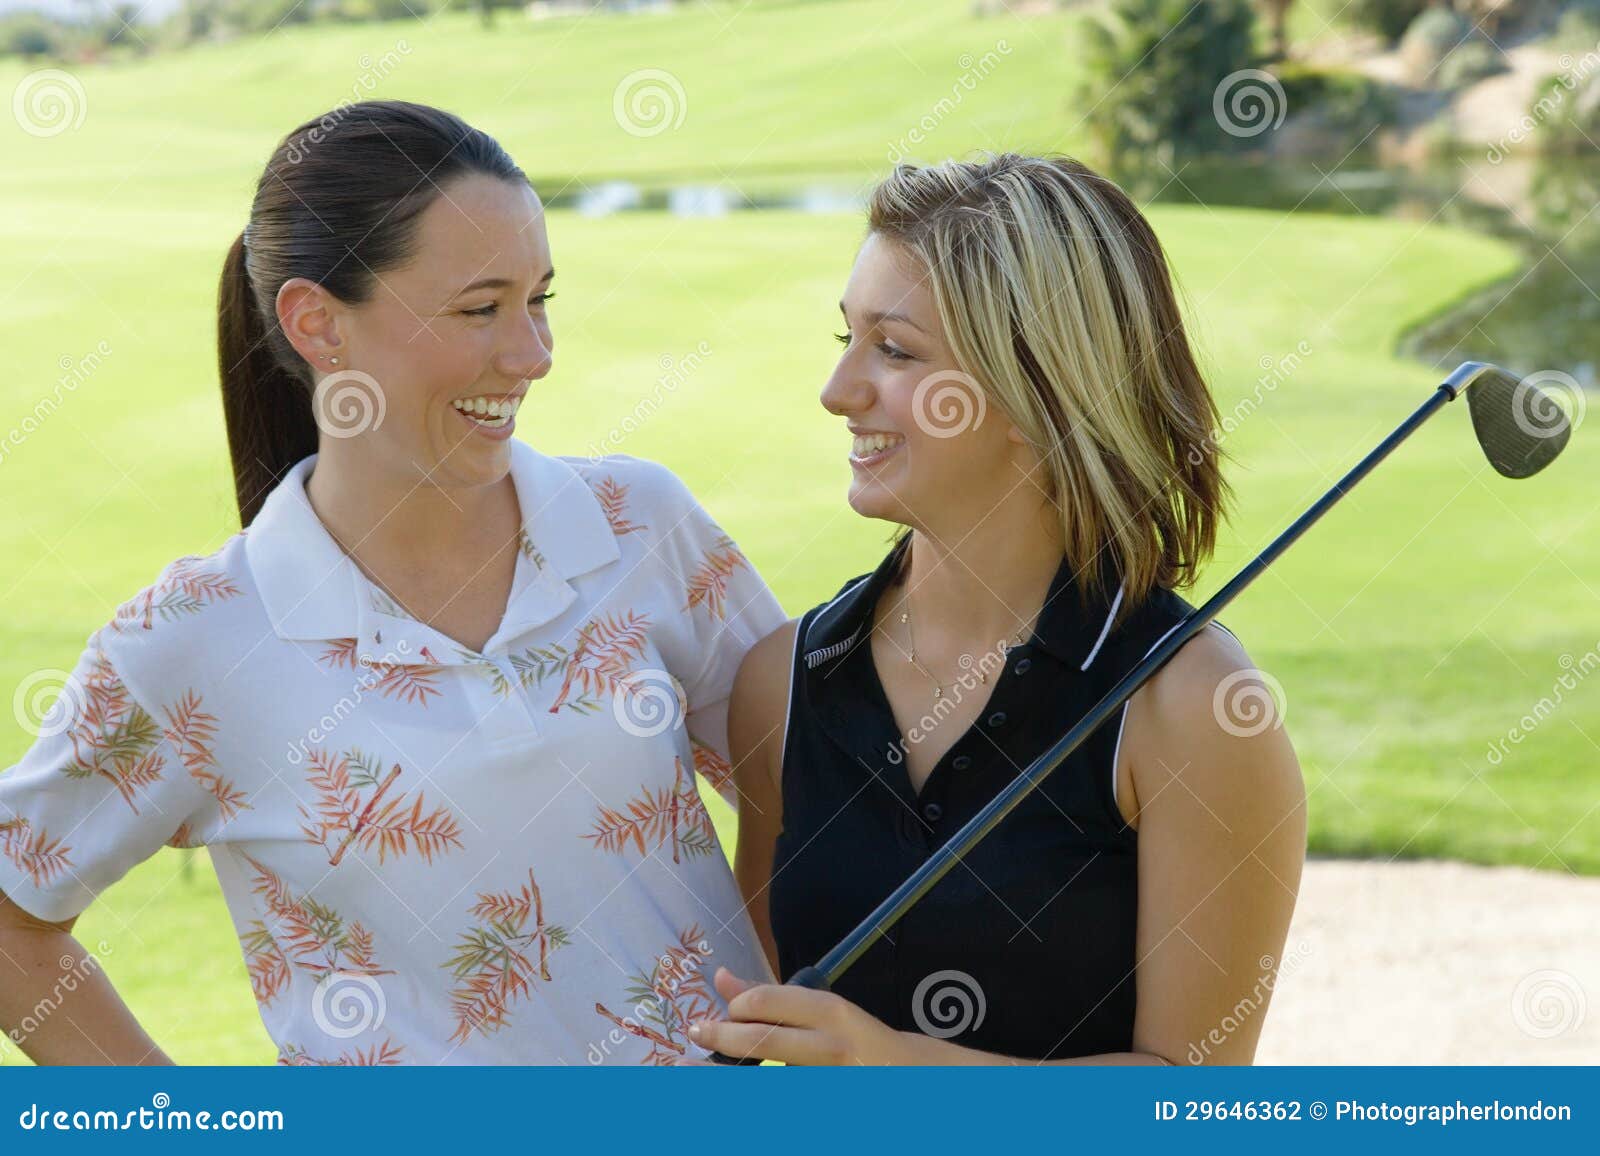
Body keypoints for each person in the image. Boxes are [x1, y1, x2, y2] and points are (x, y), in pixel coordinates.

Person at [0, 100, 786, 1066]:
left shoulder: (640, 525)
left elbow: (821, 787)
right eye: (480, 308)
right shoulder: (197, 638)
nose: (533, 355)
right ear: (319, 325)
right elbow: (11, 921)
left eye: (539, 299)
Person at [695, 154, 1307, 1065]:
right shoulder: (780, 685)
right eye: (846, 341)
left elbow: (1196, 1101)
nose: (839, 393)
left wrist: (899, 1065)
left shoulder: (1194, 712)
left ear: (1036, 391)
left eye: (894, 351)